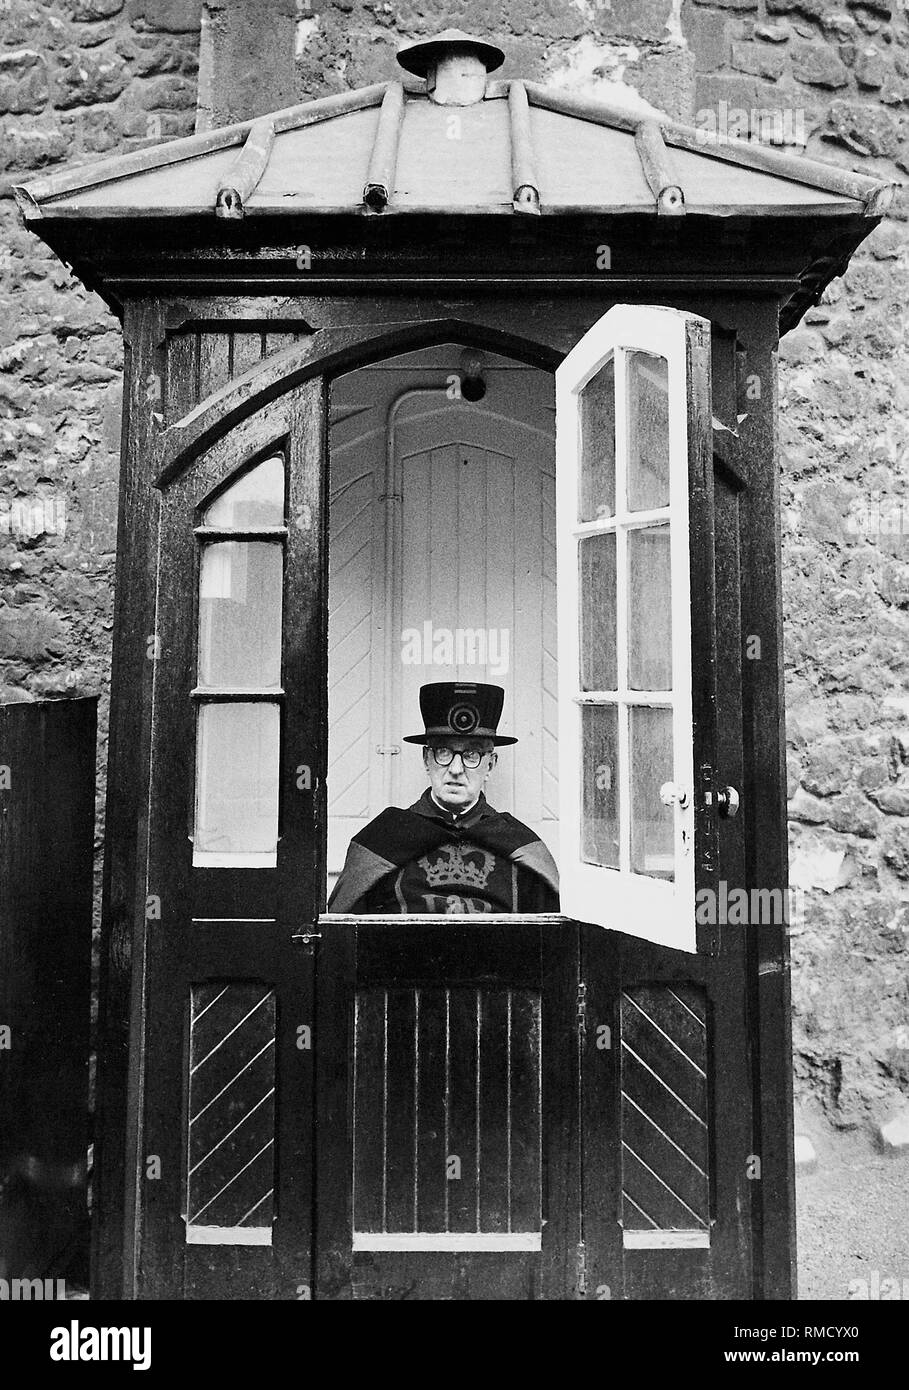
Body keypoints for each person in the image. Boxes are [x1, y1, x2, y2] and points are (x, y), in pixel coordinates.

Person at [327, 682, 559, 913]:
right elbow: (348, 936)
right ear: (426, 759)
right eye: (443, 752)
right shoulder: (381, 839)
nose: (456, 769)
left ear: (491, 764)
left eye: (471, 754)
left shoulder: (521, 846)